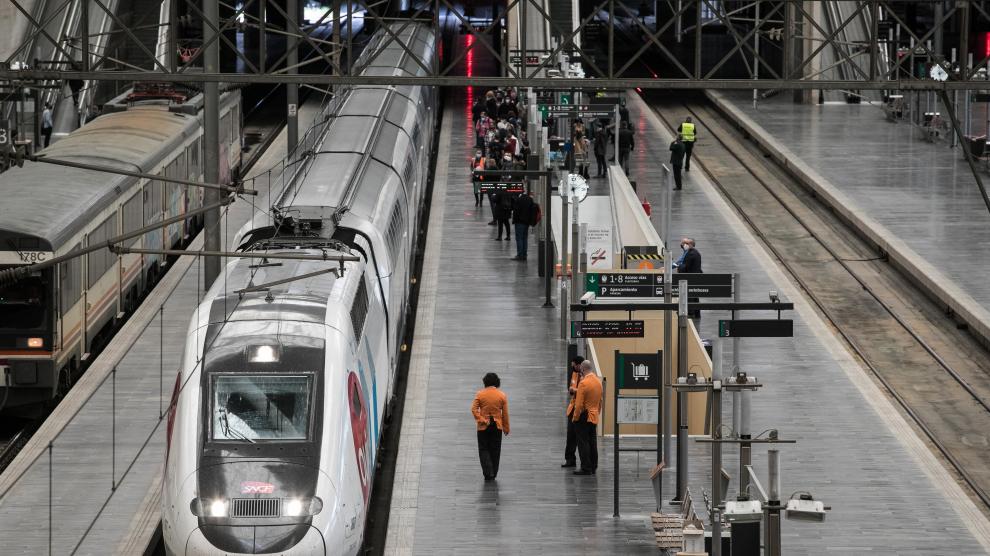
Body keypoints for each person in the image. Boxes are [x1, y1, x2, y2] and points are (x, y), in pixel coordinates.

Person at [471, 372, 510, 481]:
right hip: (497, 426)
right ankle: (494, 472)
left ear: (485, 382)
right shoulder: (502, 395)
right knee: (495, 450)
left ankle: (488, 472)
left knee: (483, 448)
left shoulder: (480, 394)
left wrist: (482, 420)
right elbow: (505, 414)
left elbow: (474, 409)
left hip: (483, 426)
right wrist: (506, 428)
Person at [572, 360, 602, 475]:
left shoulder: (583, 383)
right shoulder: (598, 382)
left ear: (583, 369)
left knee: (583, 442)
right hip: (594, 415)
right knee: (592, 442)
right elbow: (600, 400)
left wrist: (575, 417)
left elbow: (579, 404)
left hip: (584, 416)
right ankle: (593, 466)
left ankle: (585, 467)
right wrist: (597, 412)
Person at [561, 356, 585, 467]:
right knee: (570, 435)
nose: (573, 368)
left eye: (574, 366)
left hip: (581, 410)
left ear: (579, 365)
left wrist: (574, 390)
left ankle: (585, 463)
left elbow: (585, 391)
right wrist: (572, 390)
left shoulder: (587, 376)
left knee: (581, 437)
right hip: (572, 408)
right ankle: (570, 459)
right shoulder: (574, 374)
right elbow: (572, 386)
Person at [511, 191, 537, 261]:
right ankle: (524, 255)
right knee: (525, 238)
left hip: (519, 222)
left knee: (519, 238)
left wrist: (514, 220)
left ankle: (520, 255)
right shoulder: (530, 199)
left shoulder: (518, 200)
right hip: (527, 222)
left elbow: (516, 212)